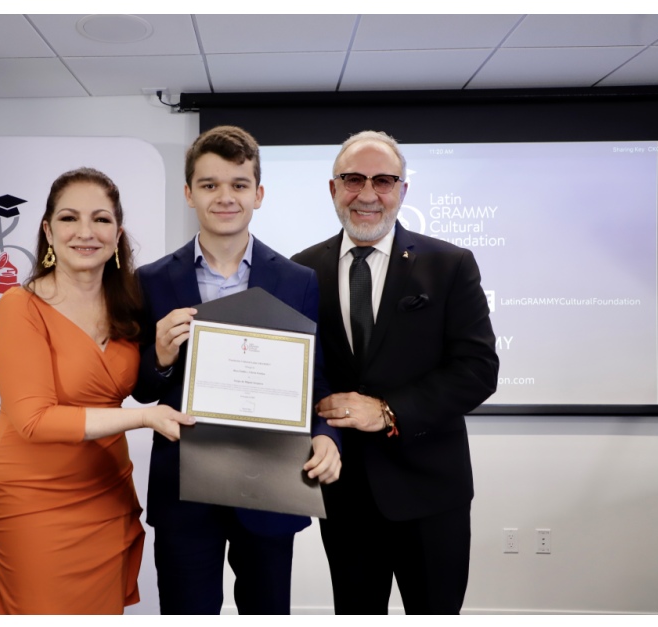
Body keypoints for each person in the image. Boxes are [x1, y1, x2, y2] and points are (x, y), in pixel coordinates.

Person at [131, 126, 342, 614]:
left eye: (239, 184)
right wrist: (160, 357)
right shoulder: (151, 280)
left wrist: (327, 434)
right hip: (184, 488)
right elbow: (139, 390)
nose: (225, 197)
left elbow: (316, 379)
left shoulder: (298, 281)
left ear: (258, 194)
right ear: (189, 194)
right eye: (209, 185)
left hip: (270, 484)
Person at [291, 131, 500, 614]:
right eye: (353, 180)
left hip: (431, 493)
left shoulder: (450, 265)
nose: (367, 194)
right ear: (333, 188)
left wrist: (387, 411)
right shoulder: (302, 271)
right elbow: (301, 372)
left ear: (403, 190)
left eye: (383, 181)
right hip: (344, 495)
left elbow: (477, 369)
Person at [0, 167, 194, 614]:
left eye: (100, 219)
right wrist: (145, 418)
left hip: (106, 492)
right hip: (32, 496)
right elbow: (34, 420)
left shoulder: (129, 307)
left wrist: (162, 356)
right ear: (48, 231)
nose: (85, 232)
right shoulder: (20, 307)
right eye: (69, 218)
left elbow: (141, 386)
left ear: (117, 233)